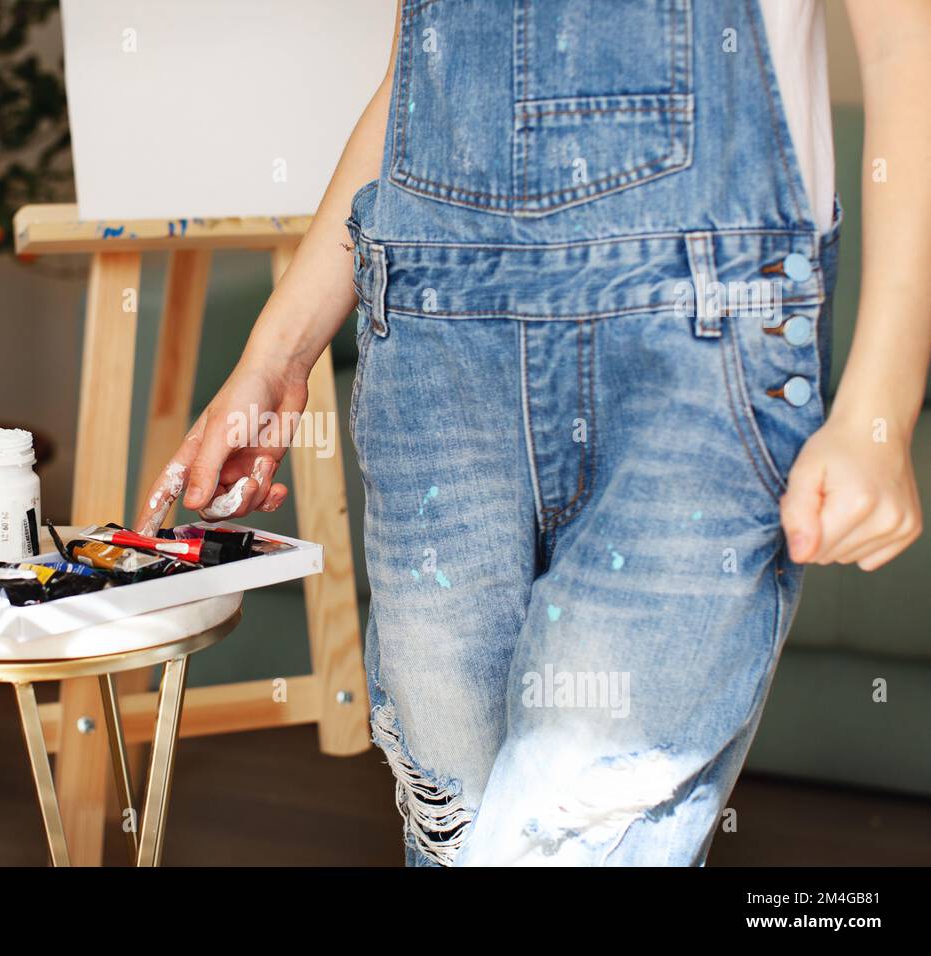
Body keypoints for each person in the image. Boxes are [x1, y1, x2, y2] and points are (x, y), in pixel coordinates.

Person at [134, 0, 929, 866]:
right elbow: (418, 79)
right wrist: (277, 354)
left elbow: (904, 42)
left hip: (695, 359)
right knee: (458, 835)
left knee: (565, 832)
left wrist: (879, 410)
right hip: (435, 358)